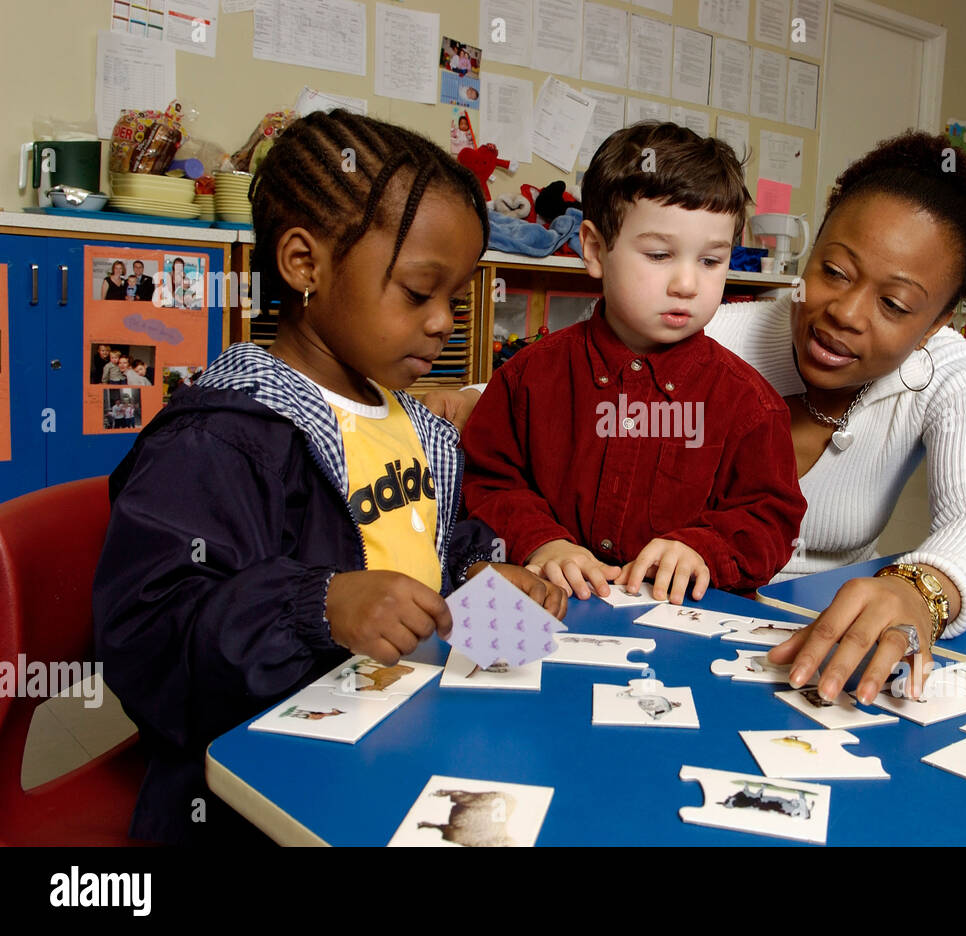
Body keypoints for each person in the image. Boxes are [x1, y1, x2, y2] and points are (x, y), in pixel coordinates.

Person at [93, 109, 567, 846]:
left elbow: (435, 547)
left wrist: (483, 572)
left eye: (458, 299)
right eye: (418, 292)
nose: (443, 321)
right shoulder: (221, 439)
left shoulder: (413, 425)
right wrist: (316, 604)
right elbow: (151, 641)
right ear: (304, 265)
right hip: (257, 798)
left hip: (396, 742)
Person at [704, 130, 966, 705]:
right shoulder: (715, 332)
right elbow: (528, 389)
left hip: (819, 658)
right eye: (834, 271)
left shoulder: (957, 373)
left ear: (937, 323)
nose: (844, 313)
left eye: (894, 305)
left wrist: (918, 590)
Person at [461, 122, 806, 604]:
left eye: (711, 261)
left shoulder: (750, 404)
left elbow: (770, 520)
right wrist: (542, 539)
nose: (687, 283)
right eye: (660, 254)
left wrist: (702, 548)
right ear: (596, 250)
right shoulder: (527, 377)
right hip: (549, 611)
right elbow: (488, 480)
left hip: (686, 627)